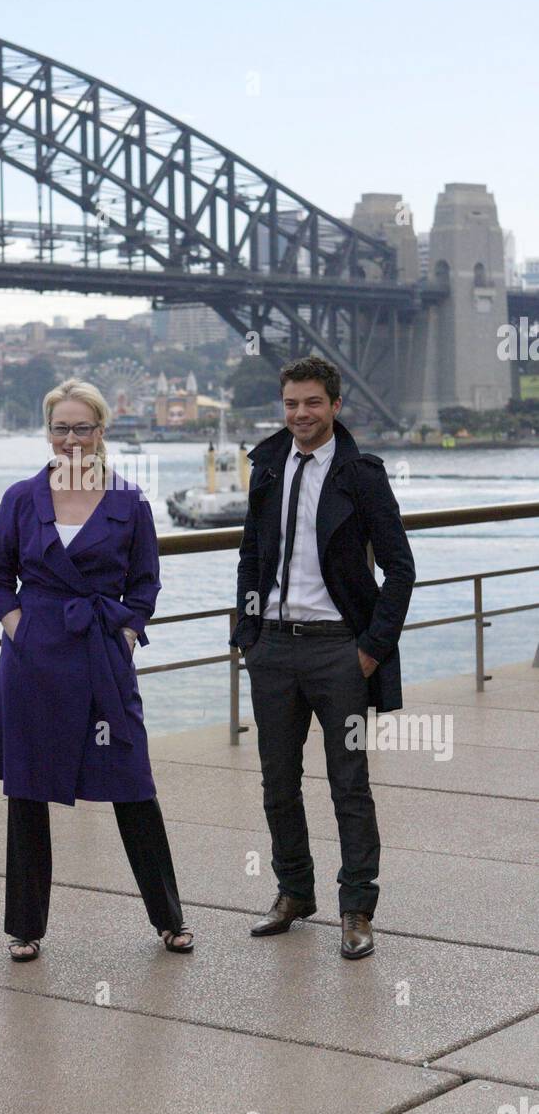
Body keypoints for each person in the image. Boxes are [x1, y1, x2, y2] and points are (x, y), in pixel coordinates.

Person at [0, 377, 193, 961]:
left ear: (102, 432)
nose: (71, 439)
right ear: (48, 432)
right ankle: (24, 928)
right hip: (34, 660)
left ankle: (168, 918)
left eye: (83, 427)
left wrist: (125, 630)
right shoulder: (22, 497)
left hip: (101, 656)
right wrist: (18, 626)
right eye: (60, 428)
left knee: (132, 784)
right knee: (28, 792)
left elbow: (145, 583)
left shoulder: (130, 501)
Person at [229, 356, 415, 960]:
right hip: (274, 649)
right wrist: (249, 636)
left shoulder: (361, 474)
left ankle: (357, 908)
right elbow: (251, 558)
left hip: (341, 650)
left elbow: (400, 569)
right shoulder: (266, 467)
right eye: (290, 404)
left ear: (335, 406)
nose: (300, 414)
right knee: (277, 783)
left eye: (312, 403)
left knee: (349, 787)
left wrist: (370, 649)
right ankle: (293, 892)